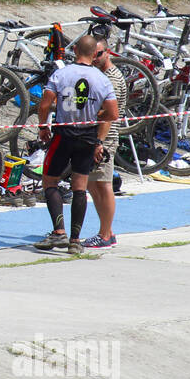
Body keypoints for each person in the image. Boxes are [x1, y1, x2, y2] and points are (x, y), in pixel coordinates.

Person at [33, 35, 119, 256]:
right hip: (88, 137)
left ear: (75, 51)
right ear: (94, 54)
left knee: (50, 181)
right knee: (79, 187)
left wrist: (44, 127)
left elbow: (44, 105)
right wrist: (94, 114)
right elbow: (113, 114)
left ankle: (59, 230)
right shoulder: (102, 79)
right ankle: (74, 240)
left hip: (64, 133)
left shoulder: (61, 74)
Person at [82, 41, 126, 250]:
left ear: (107, 52)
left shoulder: (112, 79)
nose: (94, 58)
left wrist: (99, 142)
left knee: (103, 184)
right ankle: (106, 230)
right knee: (93, 184)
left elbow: (109, 113)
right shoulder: (101, 75)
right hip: (98, 136)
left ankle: (106, 233)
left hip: (105, 137)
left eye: (97, 54)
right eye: (92, 54)